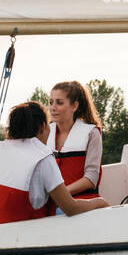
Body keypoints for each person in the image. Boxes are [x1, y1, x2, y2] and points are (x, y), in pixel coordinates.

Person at [0, 101, 111, 225]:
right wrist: (99, 202)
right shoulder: (42, 157)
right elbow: (71, 208)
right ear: (42, 127)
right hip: (22, 240)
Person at [45, 80, 104, 214]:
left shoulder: (92, 133)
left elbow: (91, 179)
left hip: (81, 202)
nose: (53, 108)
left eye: (59, 103)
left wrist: (60, 195)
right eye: (51, 102)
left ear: (74, 106)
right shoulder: (45, 132)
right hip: (51, 204)